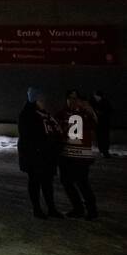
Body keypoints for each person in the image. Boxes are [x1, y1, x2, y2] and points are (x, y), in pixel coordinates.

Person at [18, 87, 64, 218]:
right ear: (34, 100)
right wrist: (40, 149)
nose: (44, 102)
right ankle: (37, 209)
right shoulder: (27, 115)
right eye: (41, 99)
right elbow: (28, 138)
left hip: (46, 156)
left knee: (47, 183)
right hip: (35, 157)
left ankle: (51, 208)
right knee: (35, 182)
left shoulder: (44, 114)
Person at [57, 90, 98, 219]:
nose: (72, 100)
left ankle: (91, 210)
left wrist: (90, 110)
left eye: (75, 98)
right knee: (66, 182)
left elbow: (95, 125)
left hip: (81, 156)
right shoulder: (62, 113)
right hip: (66, 155)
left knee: (82, 183)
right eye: (70, 98)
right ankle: (78, 208)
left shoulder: (85, 113)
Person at [90, 90, 112, 158]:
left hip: (104, 124)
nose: (95, 97)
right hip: (99, 124)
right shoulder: (95, 103)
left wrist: (100, 113)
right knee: (100, 137)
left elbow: (109, 112)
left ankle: (105, 151)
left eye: (96, 96)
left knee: (104, 137)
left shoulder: (105, 103)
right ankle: (102, 150)